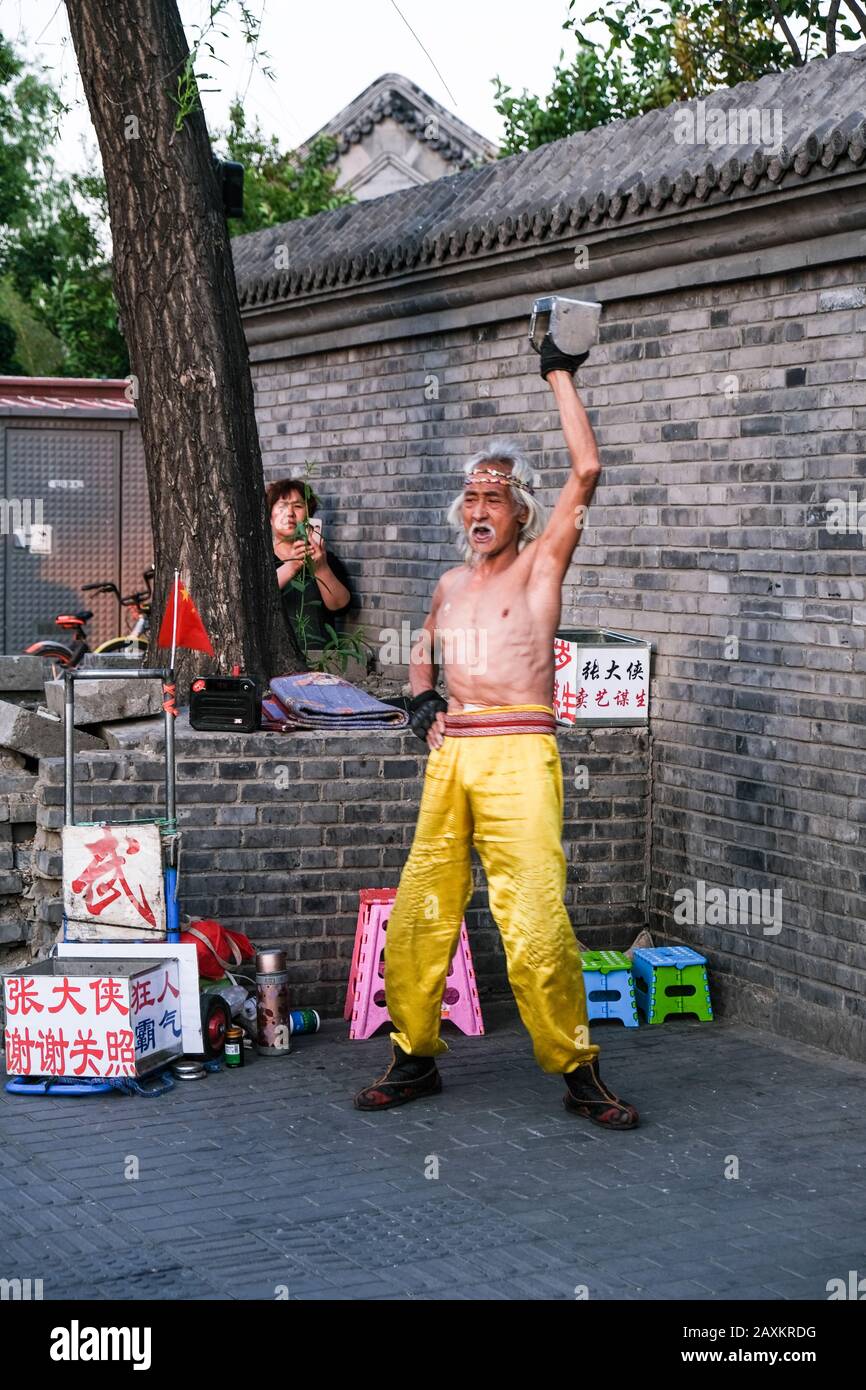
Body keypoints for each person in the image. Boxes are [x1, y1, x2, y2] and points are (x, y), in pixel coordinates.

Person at [354, 332, 639, 1130]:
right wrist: (420, 704)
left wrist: (559, 373)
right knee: (421, 910)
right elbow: (420, 659)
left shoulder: (540, 567)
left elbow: (587, 469)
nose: (481, 510)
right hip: (453, 759)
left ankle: (579, 1072)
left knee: (537, 917)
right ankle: (412, 1057)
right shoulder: (448, 583)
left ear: (522, 513)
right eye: (472, 499)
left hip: (519, 752)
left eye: (496, 499)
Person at [267, 477, 352, 655]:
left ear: (309, 517)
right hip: (276, 657)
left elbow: (340, 606)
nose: (290, 513)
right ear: (269, 517)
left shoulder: (324, 558)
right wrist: (291, 567)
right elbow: (258, 599)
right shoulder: (262, 561)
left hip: (321, 658)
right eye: (282, 506)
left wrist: (321, 568)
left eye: (298, 506)